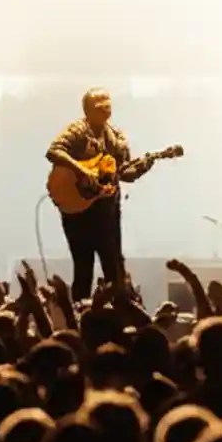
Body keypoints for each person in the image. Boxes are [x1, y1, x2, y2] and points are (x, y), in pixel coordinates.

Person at [46, 89, 153, 301]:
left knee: (113, 265)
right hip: (77, 209)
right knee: (83, 265)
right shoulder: (77, 131)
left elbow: (124, 173)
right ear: (87, 110)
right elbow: (54, 151)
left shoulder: (117, 137)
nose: (105, 111)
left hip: (106, 209)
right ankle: (80, 312)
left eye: (107, 106)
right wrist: (81, 170)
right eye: (99, 107)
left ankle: (119, 309)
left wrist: (143, 168)